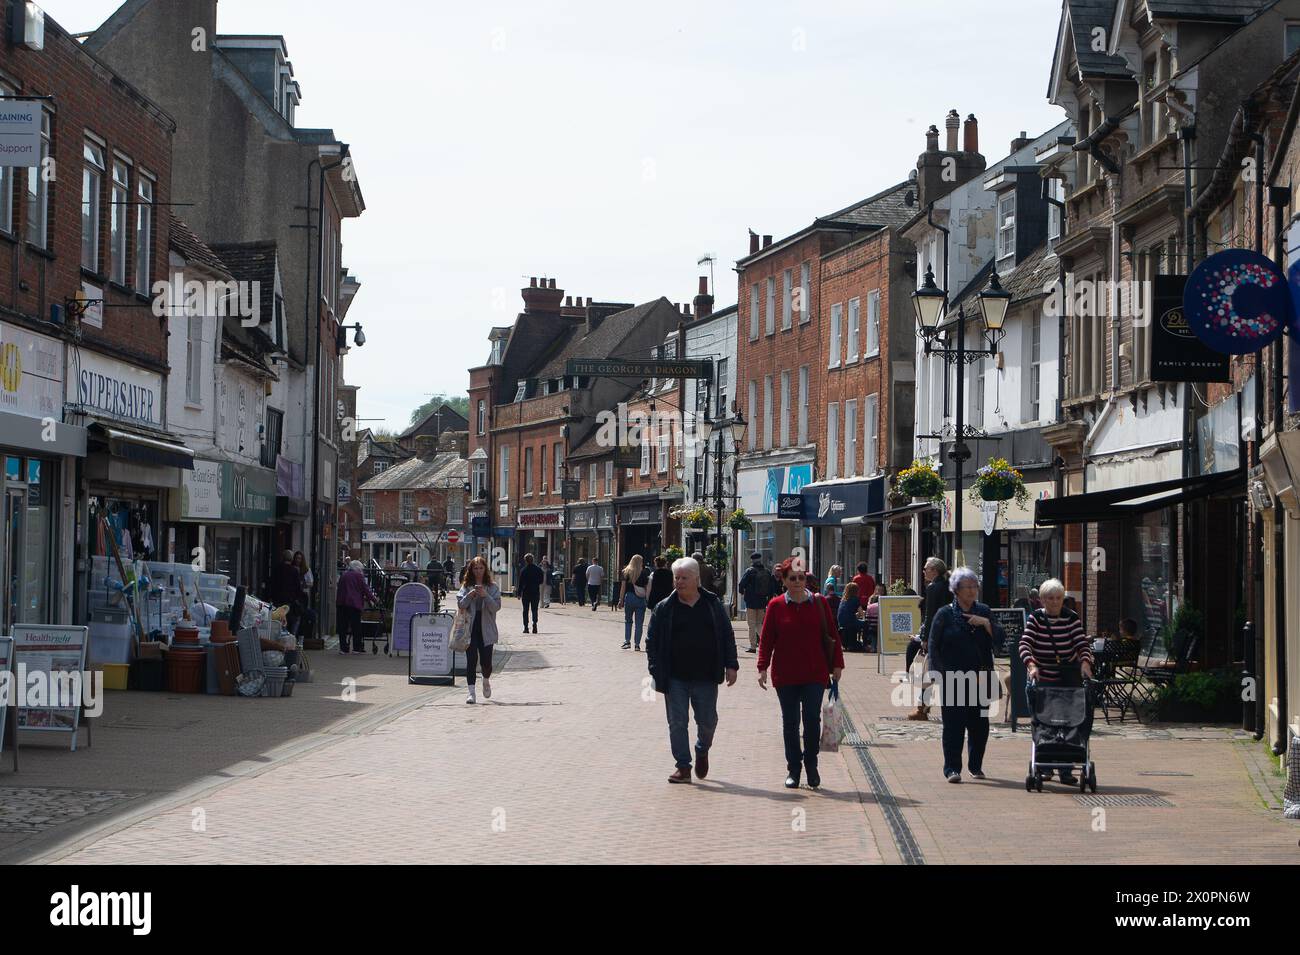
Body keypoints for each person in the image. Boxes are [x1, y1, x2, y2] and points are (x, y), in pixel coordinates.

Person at [646, 557, 739, 784]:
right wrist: (655, 669)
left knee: (708, 721)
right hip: (674, 676)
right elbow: (652, 641)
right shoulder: (664, 608)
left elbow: (727, 634)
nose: (679, 582)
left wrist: (731, 665)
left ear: (697, 580)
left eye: (684, 578)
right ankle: (683, 767)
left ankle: (702, 749)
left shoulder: (712, 604)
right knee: (677, 722)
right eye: (676, 578)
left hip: (706, 675)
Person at [757, 558, 845, 789]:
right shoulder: (776, 606)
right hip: (785, 674)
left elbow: (832, 635)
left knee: (811, 721)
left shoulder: (819, 603)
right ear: (784, 581)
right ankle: (793, 769)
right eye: (792, 578)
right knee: (790, 723)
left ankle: (812, 766)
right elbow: (766, 640)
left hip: (814, 673)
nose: (797, 582)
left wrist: (837, 664)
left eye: (801, 577)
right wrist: (762, 667)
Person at [927, 566, 1001, 783]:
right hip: (953, 677)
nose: (972, 591)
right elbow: (933, 644)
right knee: (953, 725)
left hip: (981, 677)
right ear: (956, 590)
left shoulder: (984, 611)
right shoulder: (945, 614)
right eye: (967, 587)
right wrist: (938, 673)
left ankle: (976, 765)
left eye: (974, 587)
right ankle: (952, 768)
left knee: (980, 725)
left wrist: (986, 624)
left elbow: (1000, 638)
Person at [1020, 577, 1094, 784]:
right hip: (1043, 678)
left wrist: (1085, 663)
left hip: (1067, 679)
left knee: (1070, 721)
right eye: (1050, 598)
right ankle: (1045, 765)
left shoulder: (1071, 618)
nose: (1054, 602)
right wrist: (1032, 665)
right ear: (1042, 600)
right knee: (1044, 722)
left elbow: (1081, 644)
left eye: (1058, 598)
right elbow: (1025, 644)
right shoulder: (1035, 619)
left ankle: (1067, 768)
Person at [909, 557, 949, 721]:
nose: (924, 571)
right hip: (948, 634)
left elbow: (930, 615)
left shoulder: (933, 588)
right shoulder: (948, 586)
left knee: (928, 671)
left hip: (935, 636)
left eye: (926, 568)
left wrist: (924, 638)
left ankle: (922, 709)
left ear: (935, 570)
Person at [457, 556, 501, 704]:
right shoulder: (466, 586)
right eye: (475, 568)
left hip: (486, 627)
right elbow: (461, 605)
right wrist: (470, 595)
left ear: (485, 569)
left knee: (486, 661)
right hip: (470, 627)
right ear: (471, 570)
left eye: (481, 568)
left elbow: (496, 607)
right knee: (471, 660)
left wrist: (485, 595)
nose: (478, 571)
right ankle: (471, 693)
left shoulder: (493, 587)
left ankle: (486, 679)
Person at [738, 552, 777, 655]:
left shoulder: (750, 571)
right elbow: (771, 587)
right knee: (759, 623)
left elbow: (741, 584)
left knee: (751, 624)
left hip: (751, 601)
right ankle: (767, 642)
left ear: (752, 560)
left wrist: (742, 593)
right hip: (762, 601)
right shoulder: (767, 572)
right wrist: (768, 599)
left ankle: (752, 646)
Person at [336, 559, 377, 655]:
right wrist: (374, 600)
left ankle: (343, 648)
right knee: (356, 627)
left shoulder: (344, 575)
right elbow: (365, 589)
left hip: (341, 603)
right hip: (354, 604)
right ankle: (356, 647)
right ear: (358, 568)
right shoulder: (358, 576)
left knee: (343, 627)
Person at [616, 554, 652, 650]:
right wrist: (647, 599)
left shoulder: (626, 572)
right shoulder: (644, 573)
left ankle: (627, 642)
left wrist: (621, 600)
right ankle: (637, 645)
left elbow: (623, 587)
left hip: (630, 597)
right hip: (640, 599)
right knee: (639, 623)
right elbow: (646, 588)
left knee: (628, 621)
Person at [270, 550, 304, 632]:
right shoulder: (294, 571)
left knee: (280, 623)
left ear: (282, 558)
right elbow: (298, 588)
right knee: (293, 622)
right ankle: (291, 638)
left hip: (278, 601)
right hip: (290, 602)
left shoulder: (276, 569)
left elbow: (272, 584)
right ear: (292, 559)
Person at [291, 551, 317, 641]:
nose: (298, 560)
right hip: (293, 596)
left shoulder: (306, 569)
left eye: (300, 558)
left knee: (301, 616)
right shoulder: (292, 568)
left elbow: (311, 583)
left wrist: (303, 584)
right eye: (297, 558)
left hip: (302, 596)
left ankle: (300, 638)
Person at [518, 553, 544, 633]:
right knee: (534, 609)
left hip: (526, 592)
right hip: (535, 592)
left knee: (525, 610)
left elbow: (520, 583)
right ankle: (535, 624)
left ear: (525, 561)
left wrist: (519, 593)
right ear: (533, 560)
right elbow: (541, 581)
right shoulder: (538, 569)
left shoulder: (523, 570)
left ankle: (526, 627)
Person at [837, 581, 864, 652]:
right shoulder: (855, 599)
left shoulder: (842, 600)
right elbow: (861, 613)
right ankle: (866, 644)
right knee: (866, 624)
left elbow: (846, 613)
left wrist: (855, 615)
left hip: (841, 623)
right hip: (851, 623)